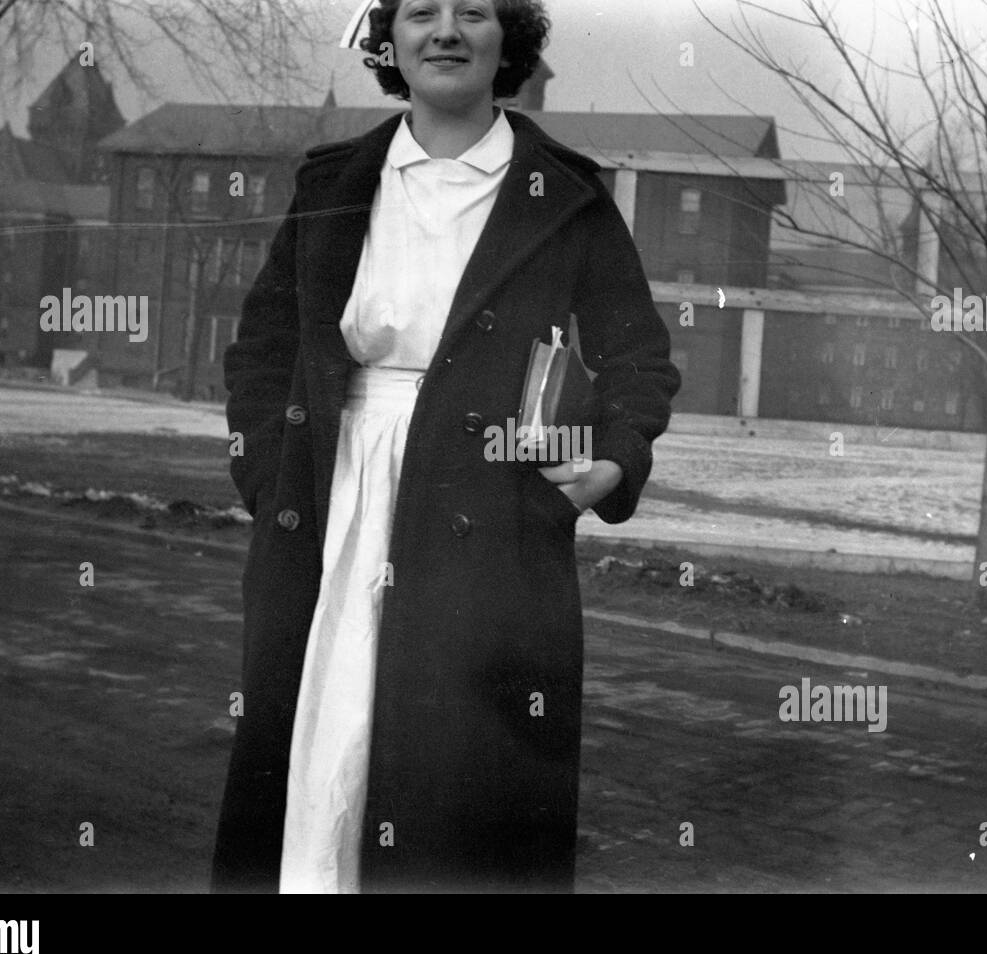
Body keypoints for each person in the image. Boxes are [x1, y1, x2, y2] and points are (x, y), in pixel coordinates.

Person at [211, 0, 681, 894]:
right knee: (324, 748)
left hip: (493, 527)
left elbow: (638, 357)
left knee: (461, 788)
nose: (446, 31)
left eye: (474, 11)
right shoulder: (334, 184)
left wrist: (609, 465)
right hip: (335, 511)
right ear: (391, 43)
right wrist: (272, 478)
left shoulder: (566, 192)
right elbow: (262, 352)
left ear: (511, 41)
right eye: (421, 12)